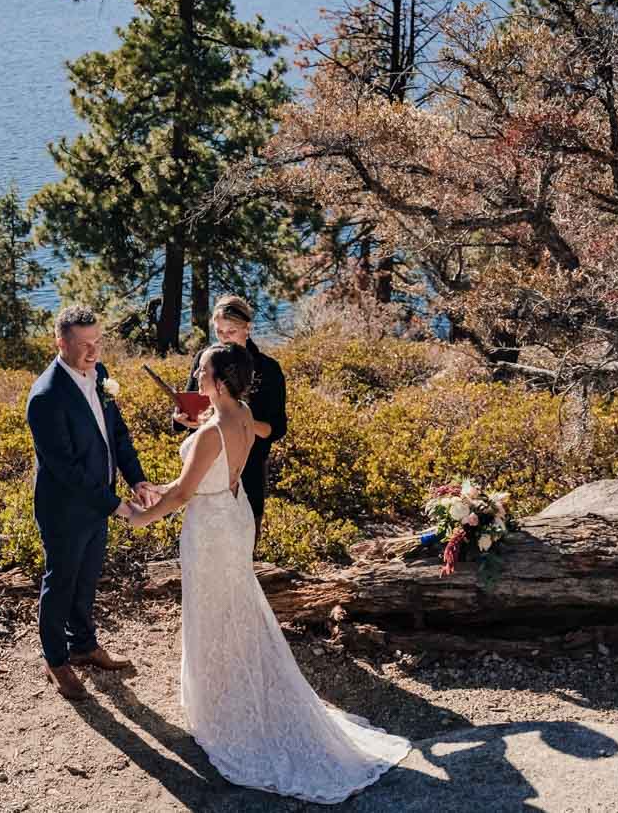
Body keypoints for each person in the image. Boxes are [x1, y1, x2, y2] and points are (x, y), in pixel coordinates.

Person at [126, 342, 410, 803]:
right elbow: (204, 478)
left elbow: (183, 495)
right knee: (234, 607)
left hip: (211, 529)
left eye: (202, 371)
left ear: (220, 382)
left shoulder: (210, 432)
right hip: (233, 512)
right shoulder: (242, 414)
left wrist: (140, 517)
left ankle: (222, 705)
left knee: (213, 610)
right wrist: (164, 486)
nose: (196, 376)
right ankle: (230, 689)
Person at [24, 304, 161, 702]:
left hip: (97, 502)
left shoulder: (100, 374)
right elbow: (67, 471)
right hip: (64, 509)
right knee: (61, 583)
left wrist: (136, 478)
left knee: (87, 578)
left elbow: (117, 433)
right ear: (60, 343)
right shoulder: (46, 396)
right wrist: (116, 505)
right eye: (84, 344)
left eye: (98, 342)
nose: (93, 351)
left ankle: (83, 645)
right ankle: (56, 660)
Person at [172, 294, 286, 544]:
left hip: (248, 470)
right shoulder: (204, 359)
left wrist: (237, 421)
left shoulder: (268, 369)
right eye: (219, 332)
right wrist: (184, 418)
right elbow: (192, 405)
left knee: (243, 547)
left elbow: (276, 429)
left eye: (231, 331)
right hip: (205, 469)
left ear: (248, 328)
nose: (224, 338)